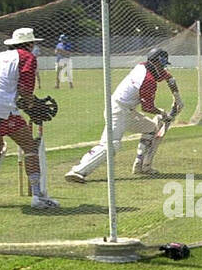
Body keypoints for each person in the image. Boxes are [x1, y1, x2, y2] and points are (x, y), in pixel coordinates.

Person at [0, 27, 60, 210]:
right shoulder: (27, 57)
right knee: (29, 146)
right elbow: (25, 91)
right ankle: (38, 197)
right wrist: (33, 106)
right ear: (30, 44)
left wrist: (25, 104)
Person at [65, 47, 183, 182]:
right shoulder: (148, 80)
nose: (163, 69)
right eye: (161, 65)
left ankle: (141, 165)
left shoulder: (143, 66)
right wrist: (163, 114)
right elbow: (147, 107)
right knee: (111, 145)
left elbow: (169, 77)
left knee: (151, 129)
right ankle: (77, 171)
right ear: (156, 63)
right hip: (118, 111)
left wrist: (177, 97)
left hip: (127, 111)